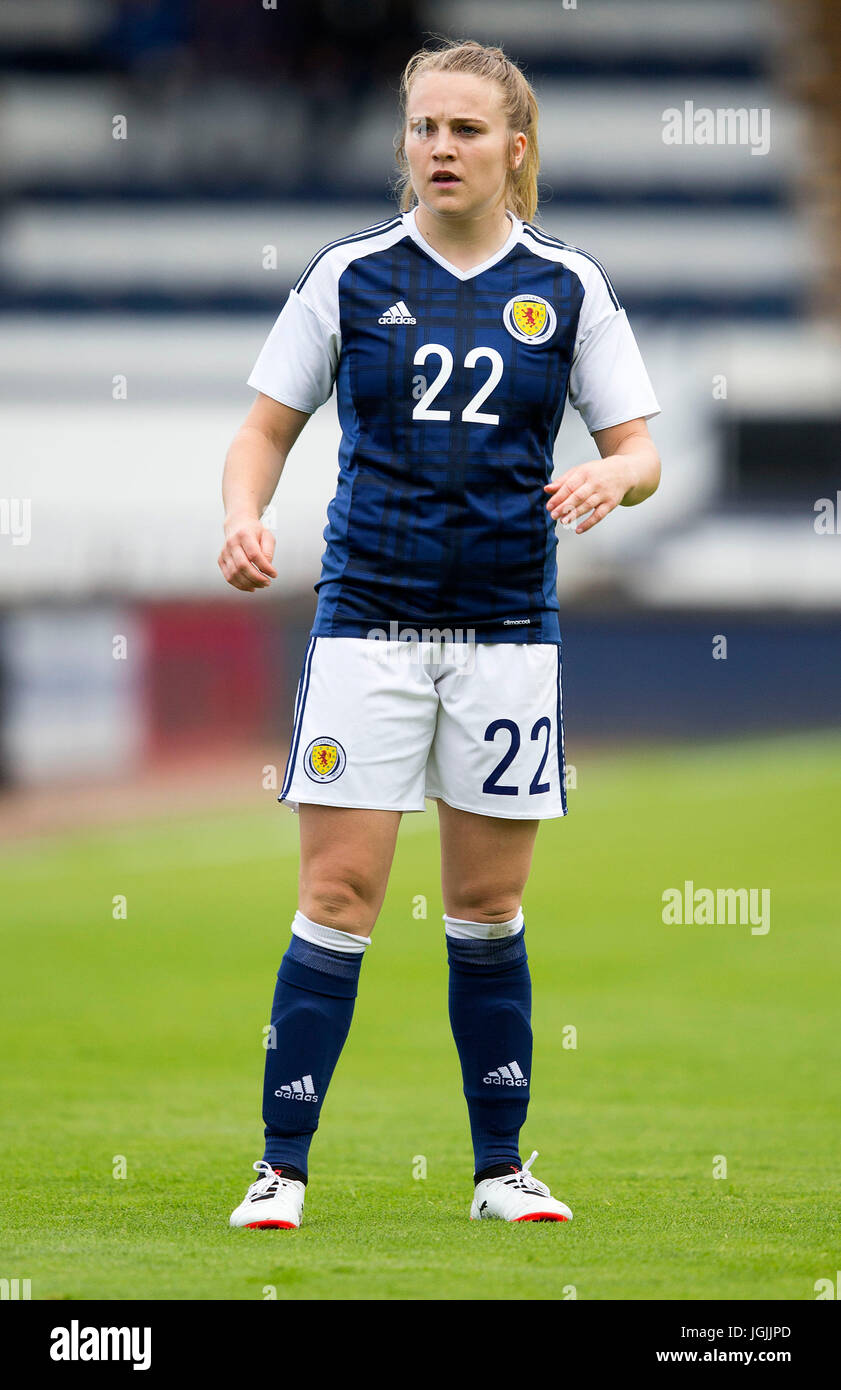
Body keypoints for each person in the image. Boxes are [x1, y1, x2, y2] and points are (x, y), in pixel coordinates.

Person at [220, 38, 661, 1229]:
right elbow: (262, 429)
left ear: (513, 148)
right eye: (423, 128)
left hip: (509, 634)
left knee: (486, 909)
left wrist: (610, 482)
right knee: (342, 890)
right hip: (368, 622)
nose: (440, 148)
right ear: (402, 143)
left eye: (466, 130)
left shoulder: (567, 285)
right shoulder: (349, 277)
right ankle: (281, 1165)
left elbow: (641, 449)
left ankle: (499, 1169)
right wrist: (243, 517)